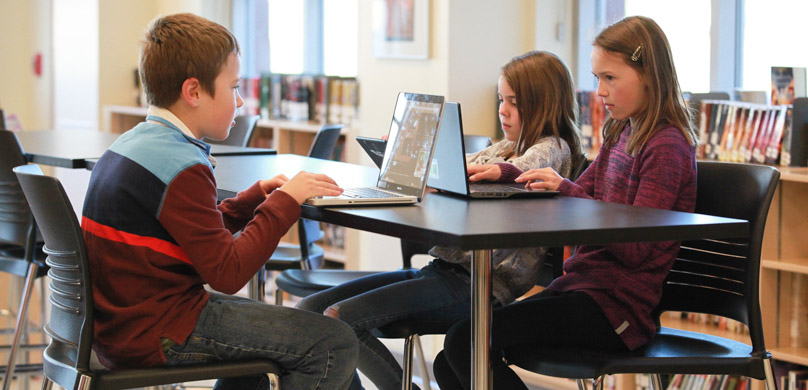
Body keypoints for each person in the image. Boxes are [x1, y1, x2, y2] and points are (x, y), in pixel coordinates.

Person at [81, 13, 359, 390]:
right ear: (194, 92)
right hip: (158, 330)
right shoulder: (181, 166)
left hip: (126, 323)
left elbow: (196, 238)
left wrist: (248, 203)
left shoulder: (132, 144)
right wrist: (285, 202)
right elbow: (228, 274)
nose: (240, 100)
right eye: (234, 87)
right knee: (333, 344)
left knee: (280, 345)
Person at [432, 16, 700, 390]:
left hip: (616, 310)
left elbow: (636, 246)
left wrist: (568, 190)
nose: (600, 91)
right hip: (581, 289)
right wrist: (509, 173)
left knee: (465, 343)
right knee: (452, 358)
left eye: (610, 78)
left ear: (648, 75)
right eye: (597, 78)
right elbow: (574, 193)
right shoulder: (622, 132)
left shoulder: (666, 146)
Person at [297, 50, 583, 390]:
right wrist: (410, 155)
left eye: (514, 102)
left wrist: (487, 170)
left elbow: (520, 169)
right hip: (442, 271)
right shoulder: (506, 147)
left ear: (544, 104)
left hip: (478, 286)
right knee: (310, 308)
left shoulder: (555, 149)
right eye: (500, 99)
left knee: (340, 318)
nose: (502, 110)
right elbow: (459, 163)